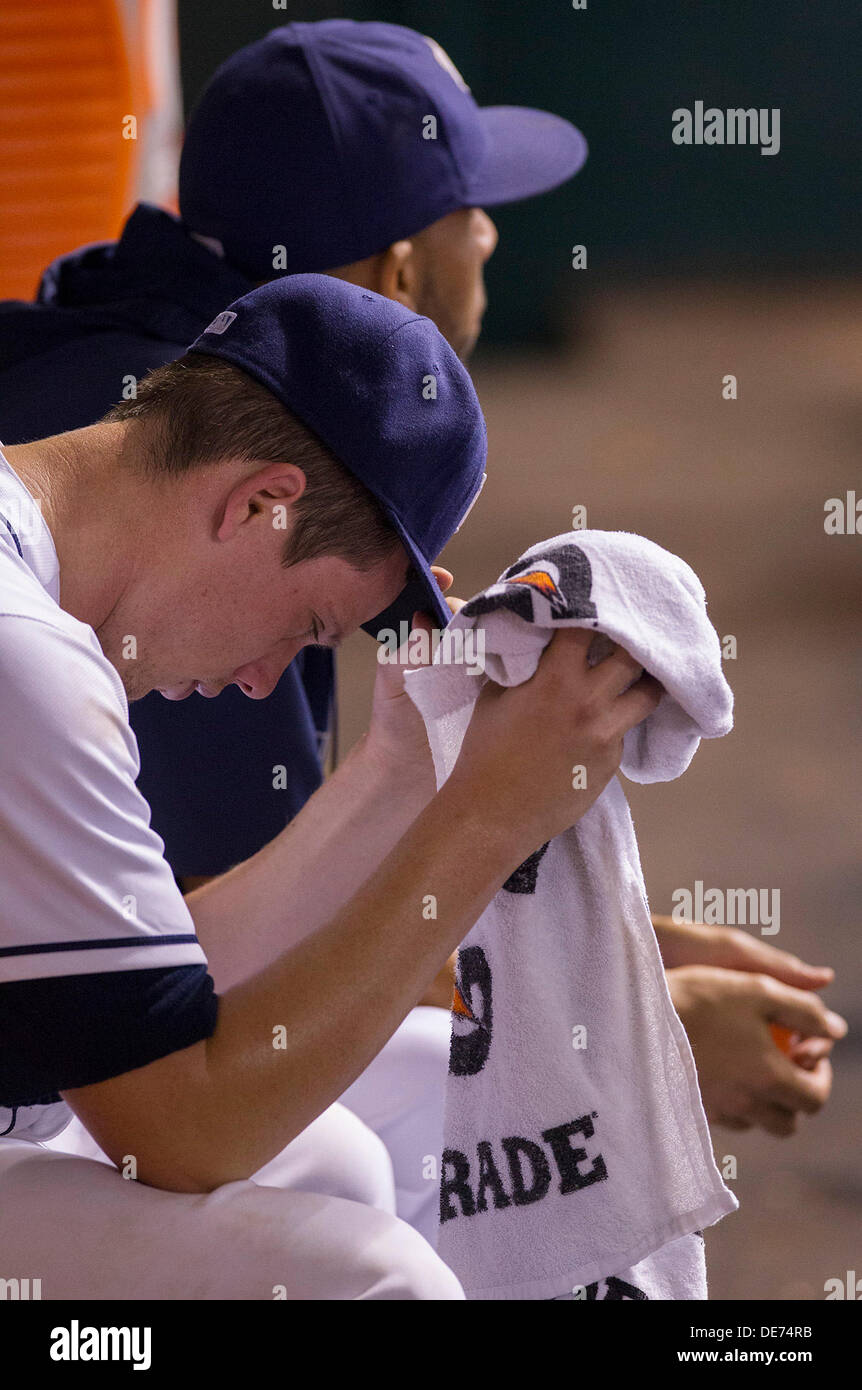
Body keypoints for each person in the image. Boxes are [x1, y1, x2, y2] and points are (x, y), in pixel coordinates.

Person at [0, 21, 836, 1217]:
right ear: (399, 274)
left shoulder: (98, 388)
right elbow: (181, 1073)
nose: (266, 676)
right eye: (478, 228)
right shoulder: (159, 547)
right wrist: (611, 1019)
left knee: (352, 1159)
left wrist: (590, 930)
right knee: (383, 1207)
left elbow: (136, 937)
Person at [0, 272, 668, 1298]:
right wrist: (487, 818)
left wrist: (398, 780)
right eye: (311, 627)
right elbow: (184, 1127)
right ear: (261, 503)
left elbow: (130, 998)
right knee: (370, 1278)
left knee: (357, 1150)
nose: (267, 678)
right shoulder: (28, 655)